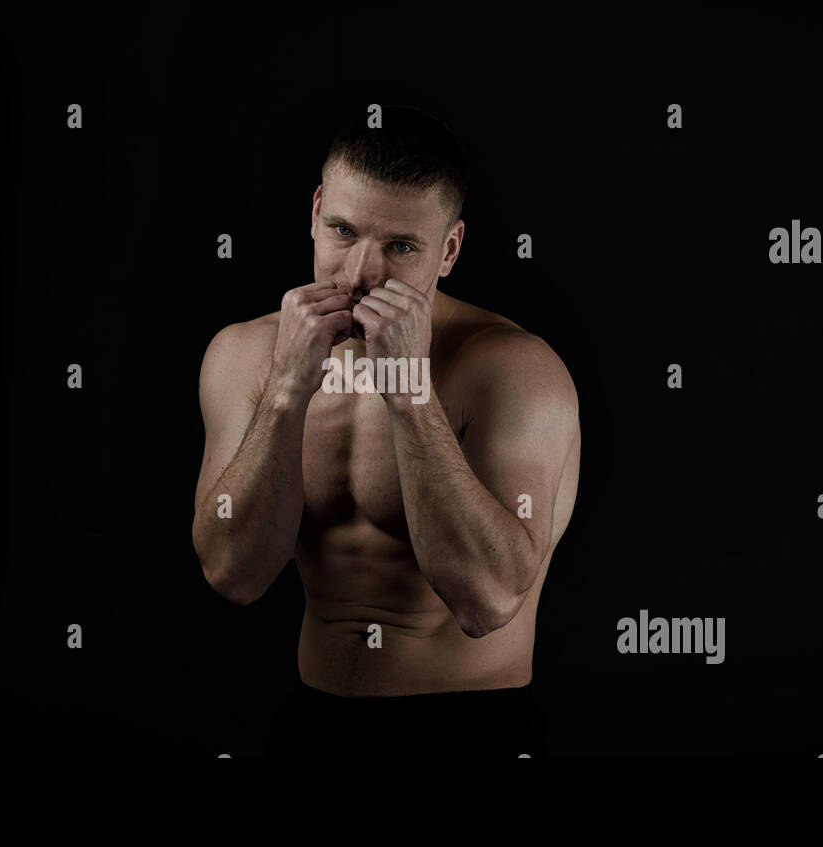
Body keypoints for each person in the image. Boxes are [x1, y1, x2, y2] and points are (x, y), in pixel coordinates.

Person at [192, 105, 580, 759]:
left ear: (449, 249)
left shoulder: (514, 370)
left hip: (471, 729)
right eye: (342, 229)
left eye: (401, 246)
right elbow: (233, 574)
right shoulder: (242, 355)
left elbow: (486, 602)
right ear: (315, 212)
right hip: (310, 723)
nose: (359, 274)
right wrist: (287, 391)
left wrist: (410, 396)